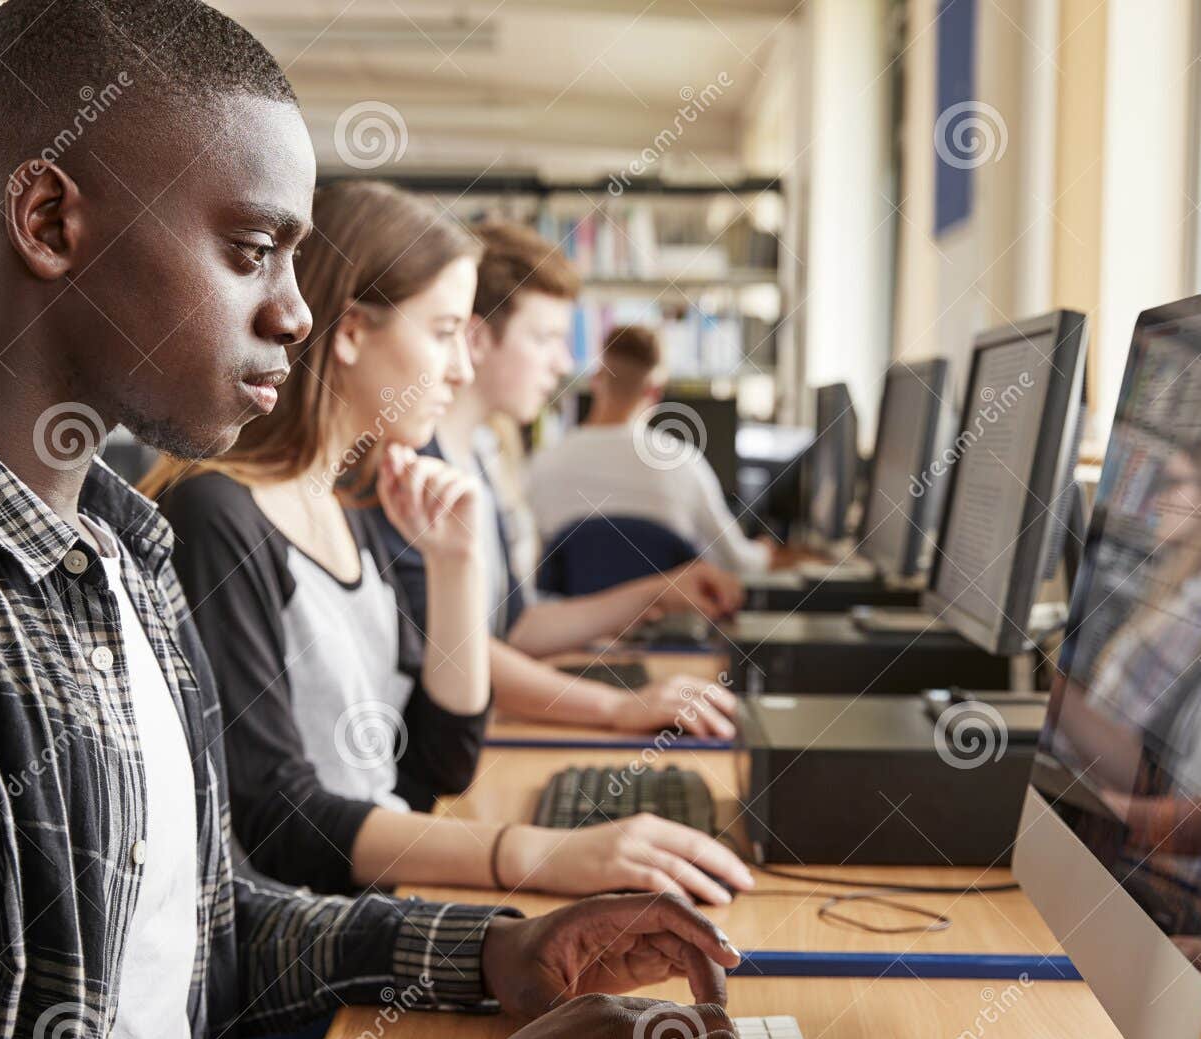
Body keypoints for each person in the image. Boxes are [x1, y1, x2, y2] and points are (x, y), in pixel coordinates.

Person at [0, 0, 753, 1039]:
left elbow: (208, 926)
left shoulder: (123, 547)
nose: (299, 313)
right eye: (251, 251)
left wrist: (496, 949)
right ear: (52, 220)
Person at [142, 182, 749, 905]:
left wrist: (455, 565)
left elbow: (442, 764)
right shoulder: (218, 516)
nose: (460, 369)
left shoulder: (351, 506)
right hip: (299, 957)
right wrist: (536, 854)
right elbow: (281, 822)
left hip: (374, 907)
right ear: (354, 332)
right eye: (442, 332)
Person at [374, 221, 743, 739]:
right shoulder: (408, 468)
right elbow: (455, 648)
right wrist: (617, 709)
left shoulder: (479, 453)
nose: (564, 362)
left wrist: (658, 590)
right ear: (478, 339)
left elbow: (517, 629)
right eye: (545, 338)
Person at [528, 324, 775, 575]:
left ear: (595, 380)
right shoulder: (683, 464)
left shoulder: (543, 465)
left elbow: (527, 565)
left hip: (568, 614)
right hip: (665, 612)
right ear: (654, 392)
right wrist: (766, 551)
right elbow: (738, 563)